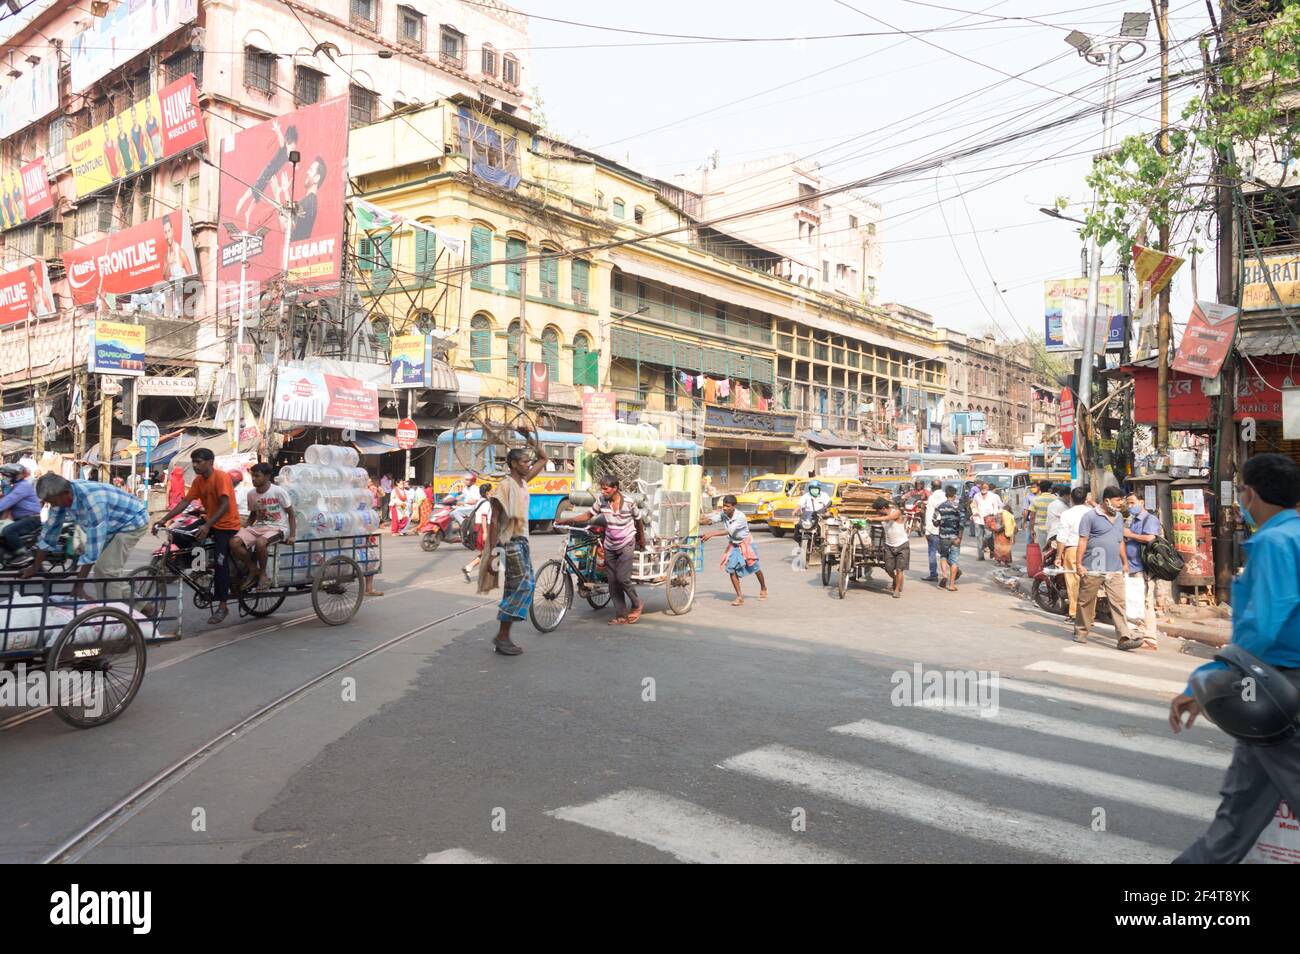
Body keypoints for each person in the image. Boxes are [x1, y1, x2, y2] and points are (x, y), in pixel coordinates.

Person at [1170, 453, 1300, 864]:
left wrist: (1203, 683)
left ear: (1253, 493)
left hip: (1279, 693)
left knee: (1238, 814)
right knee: (1238, 812)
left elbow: (1260, 629)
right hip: (1272, 697)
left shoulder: (1274, 543)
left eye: (1244, 489)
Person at [23, 474, 147, 601]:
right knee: (106, 574)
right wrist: (35, 567)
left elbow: (93, 548)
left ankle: (113, 615)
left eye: (53, 502)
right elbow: (49, 532)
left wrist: (79, 586)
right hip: (111, 525)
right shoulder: (60, 497)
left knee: (105, 570)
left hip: (130, 523)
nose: (53, 505)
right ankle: (143, 607)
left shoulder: (93, 500)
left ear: (66, 494)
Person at [154, 448, 243, 625]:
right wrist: (164, 519)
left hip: (226, 525)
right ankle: (198, 566)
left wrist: (207, 526)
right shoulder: (198, 481)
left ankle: (223, 606)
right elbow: (185, 502)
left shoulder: (221, 477)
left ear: (210, 462)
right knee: (179, 534)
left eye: (199, 461)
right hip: (208, 520)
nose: (195, 465)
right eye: (193, 462)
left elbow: (225, 505)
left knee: (220, 563)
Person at [477, 433, 547, 656]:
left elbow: (543, 458)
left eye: (528, 461)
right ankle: (502, 634)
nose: (528, 464)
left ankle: (503, 636)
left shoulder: (524, 482)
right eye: (525, 461)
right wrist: (494, 553)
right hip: (510, 544)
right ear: (514, 464)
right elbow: (495, 519)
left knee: (517, 587)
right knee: (524, 587)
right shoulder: (505, 486)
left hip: (523, 542)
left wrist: (528, 436)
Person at [558, 476, 646, 624]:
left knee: (622, 578)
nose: (603, 492)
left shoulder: (629, 503)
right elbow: (588, 515)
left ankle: (637, 604)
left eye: (606, 489)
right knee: (612, 581)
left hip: (626, 542)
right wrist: (567, 520)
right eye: (602, 489)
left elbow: (639, 520)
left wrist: (641, 538)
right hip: (610, 544)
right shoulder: (601, 501)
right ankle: (621, 615)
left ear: (615, 488)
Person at [1074, 486, 1143, 651]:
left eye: (1121, 500)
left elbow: (1119, 541)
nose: (1120, 504)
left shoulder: (1119, 517)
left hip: (1114, 568)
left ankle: (1124, 637)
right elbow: (1083, 541)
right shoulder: (1089, 516)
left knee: (1118, 603)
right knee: (1086, 601)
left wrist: (1124, 562)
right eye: (1117, 500)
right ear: (1107, 501)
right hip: (1093, 567)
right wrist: (1078, 564)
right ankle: (1081, 631)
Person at [232, 463, 296, 589]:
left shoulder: (278, 491)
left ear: (267, 476)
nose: (254, 479)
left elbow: (291, 514)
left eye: (257, 476)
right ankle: (252, 568)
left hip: (278, 528)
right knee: (234, 542)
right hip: (258, 527)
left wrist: (292, 535)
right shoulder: (251, 494)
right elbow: (253, 515)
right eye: (252, 476)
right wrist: (243, 529)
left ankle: (263, 574)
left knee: (260, 543)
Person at [702, 494, 768, 606]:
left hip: (746, 544)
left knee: (755, 567)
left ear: (734, 506)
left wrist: (711, 534)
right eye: (723, 506)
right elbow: (711, 520)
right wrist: (697, 520)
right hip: (734, 545)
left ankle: (763, 587)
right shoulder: (724, 514)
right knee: (731, 569)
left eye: (727, 506)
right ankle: (739, 597)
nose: (724, 508)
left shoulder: (740, 517)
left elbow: (728, 531)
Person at [1123, 491, 1163, 649]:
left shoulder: (1150, 519)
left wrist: (1130, 535)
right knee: (1136, 601)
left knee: (1146, 602)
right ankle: (1140, 632)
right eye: (1129, 503)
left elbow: (1150, 538)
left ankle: (1150, 638)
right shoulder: (1134, 520)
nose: (1130, 506)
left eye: (1133, 503)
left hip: (1143, 568)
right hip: (1133, 566)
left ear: (1142, 502)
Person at [1055, 486, 1091, 619]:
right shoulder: (1092, 512)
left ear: (1071, 498)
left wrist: (1058, 556)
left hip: (1073, 549)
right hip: (1090, 550)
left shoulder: (1067, 514)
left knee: (1073, 583)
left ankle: (1075, 614)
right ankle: (1089, 614)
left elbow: (1062, 537)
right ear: (1086, 498)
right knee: (1089, 582)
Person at [867, 497, 909, 599]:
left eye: (878, 510)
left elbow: (888, 518)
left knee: (899, 569)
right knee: (889, 569)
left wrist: (873, 518)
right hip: (888, 545)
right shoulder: (882, 515)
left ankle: (896, 590)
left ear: (883, 508)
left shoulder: (896, 512)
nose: (877, 512)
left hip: (902, 544)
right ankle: (895, 579)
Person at [0, 460, 42, 555]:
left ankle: (22, 554)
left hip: (31, 519)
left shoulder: (23, 487)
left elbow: (8, 501)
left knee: (8, 531)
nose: (5, 478)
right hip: (21, 518)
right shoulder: (15, 486)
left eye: (7, 476)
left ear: (15, 476)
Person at [934, 485, 964, 592]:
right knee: (954, 561)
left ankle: (944, 576)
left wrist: (941, 522)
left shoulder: (940, 507)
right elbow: (962, 524)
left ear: (946, 495)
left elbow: (935, 522)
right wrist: (959, 537)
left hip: (943, 537)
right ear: (954, 495)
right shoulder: (959, 507)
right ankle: (951, 585)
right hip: (955, 538)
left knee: (943, 556)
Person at [462, 483, 493, 583]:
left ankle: (469, 567)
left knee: (485, 553)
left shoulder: (480, 501)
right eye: (491, 490)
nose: (493, 492)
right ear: (487, 492)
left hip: (477, 528)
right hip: (482, 529)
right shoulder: (486, 503)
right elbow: (484, 517)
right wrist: (485, 532)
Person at [974, 481, 1003, 561]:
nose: (984, 489)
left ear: (988, 488)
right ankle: (980, 556)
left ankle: (992, 550)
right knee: (979, 537)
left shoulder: (993, 496)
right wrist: (974, 513)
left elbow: (996, 507)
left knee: (988, 536)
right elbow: (974, 506)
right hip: (978, 519)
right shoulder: (976, 496)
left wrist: (994, 515)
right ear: (980, 488)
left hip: (989, 519)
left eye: (985, 487)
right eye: (982, 487)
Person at [923, 478, 944, 582]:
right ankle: (954, 569)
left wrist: (927, 531)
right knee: (944, 552)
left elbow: (929, 515)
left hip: (933, 529)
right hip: (944, 529)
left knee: (932, 552)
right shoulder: (945, 496)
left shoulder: (931, 498)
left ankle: (933, 574)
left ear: (932, 487)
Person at [1028, 479, 1058, 552]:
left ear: (1040, 489)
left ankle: (1043, 562)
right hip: (1053, 528)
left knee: (1043, 550)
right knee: (1053, 550)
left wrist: (1031, 529)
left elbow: (1032, 517)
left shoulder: (1035, 500)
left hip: (1039, 528)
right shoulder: (1056, 499)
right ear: (1050, 489)